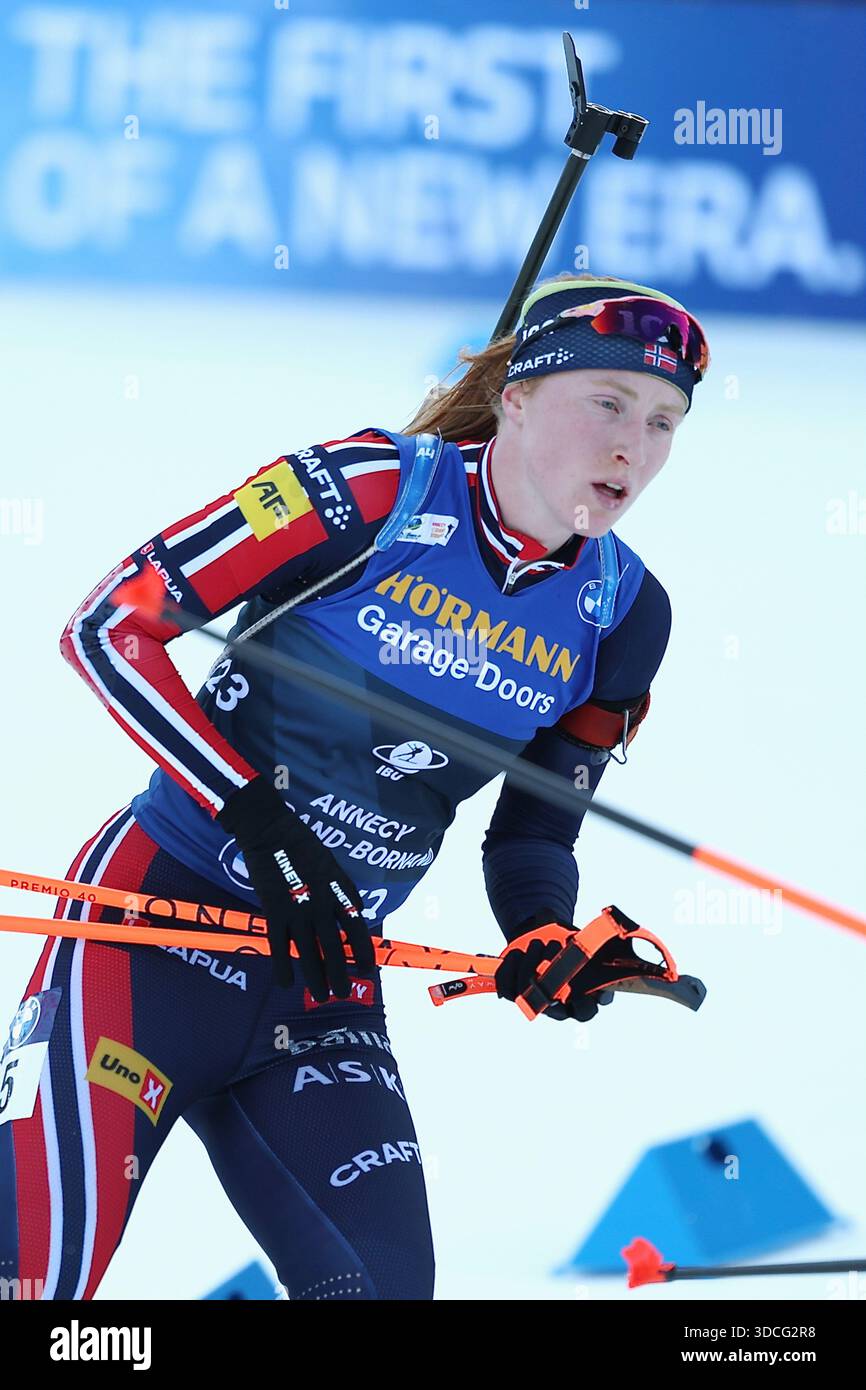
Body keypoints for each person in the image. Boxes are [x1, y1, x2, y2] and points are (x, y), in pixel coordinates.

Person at [0, 271, 708, 1300]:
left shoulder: (622, 613)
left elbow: (530, 837)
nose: (630, 449)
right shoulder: (368, 486)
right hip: (150, 924)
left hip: (322, 980)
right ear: (514, 396)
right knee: (32, 1285)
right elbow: (110, 627)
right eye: (606, 402)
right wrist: (255, 813)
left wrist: (540, 936)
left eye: (661, 422)